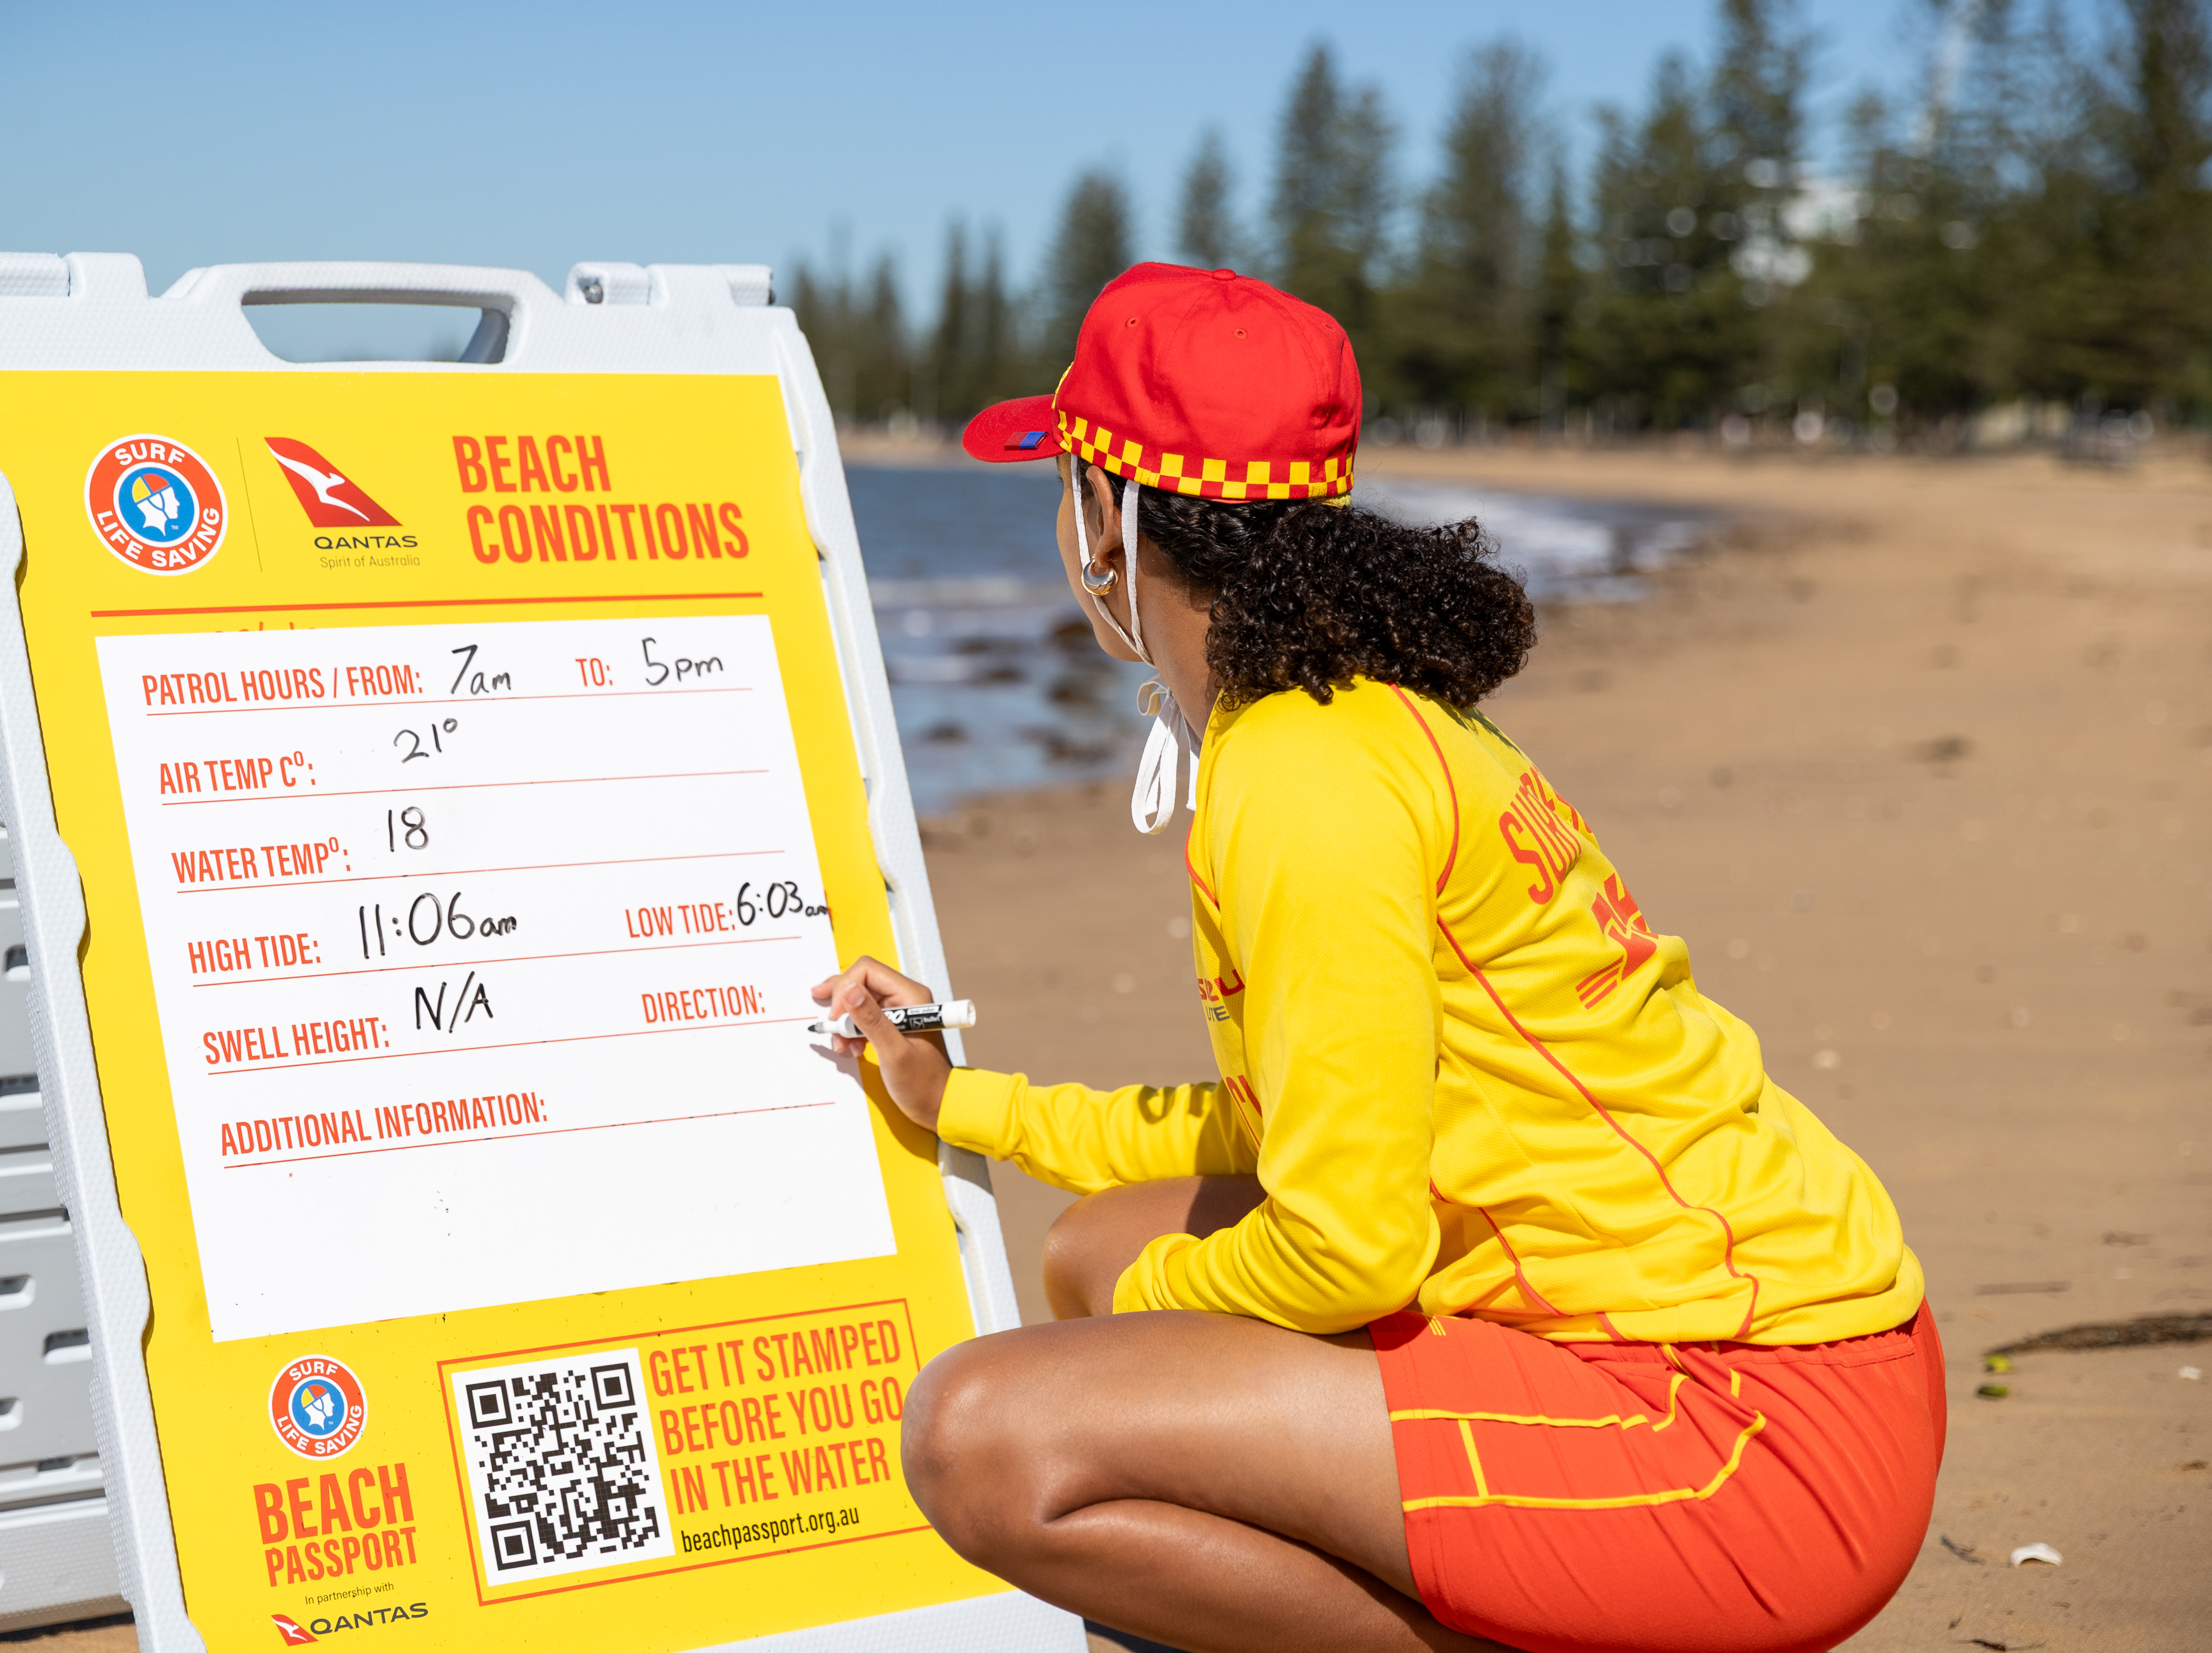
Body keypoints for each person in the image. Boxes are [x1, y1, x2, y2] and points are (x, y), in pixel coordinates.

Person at [813, 264, 1942, 1653]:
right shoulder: (1344, 719)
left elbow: (1346, 1246)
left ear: (1110, 517)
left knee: (983, 1430)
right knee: (1100, 1250)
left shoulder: (1302, 775)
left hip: (1747, 1437)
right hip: (1747, 1350)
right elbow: (1304, 1127)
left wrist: (1127, 1334)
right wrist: (966, 1100)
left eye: (1066, 486)